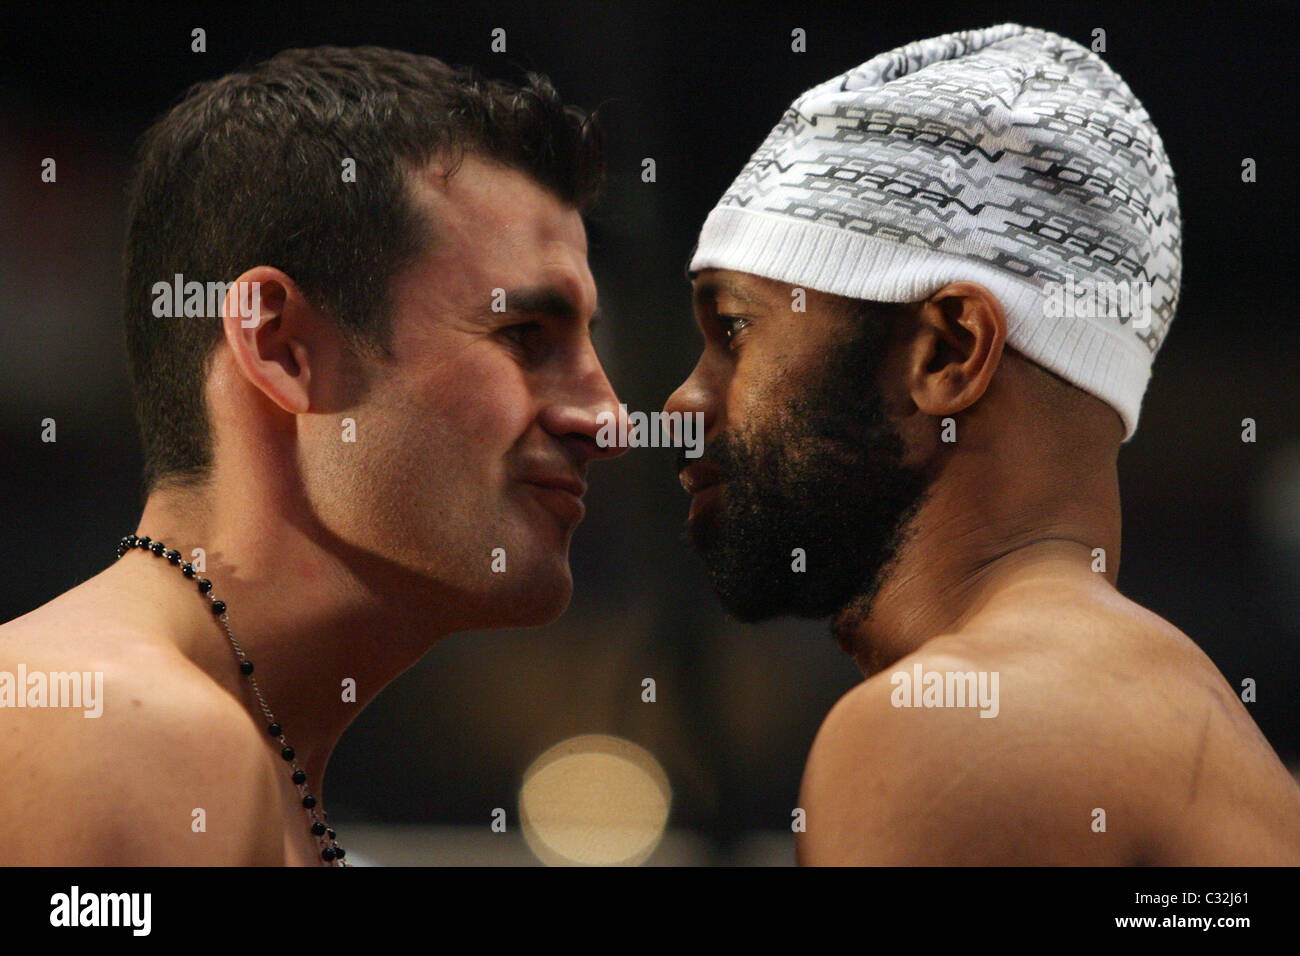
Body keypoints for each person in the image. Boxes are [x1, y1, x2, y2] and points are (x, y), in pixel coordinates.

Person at [665, 24, 1300, 864]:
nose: (684, 398)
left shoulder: (948, 731)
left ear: (950, 352)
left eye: (737, 327)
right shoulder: (1199, 731)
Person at [0, 47, 623, 865]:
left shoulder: (201, 746)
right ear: (281, 346)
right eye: (525, 337)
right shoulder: (125, 727)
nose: (606, 417)